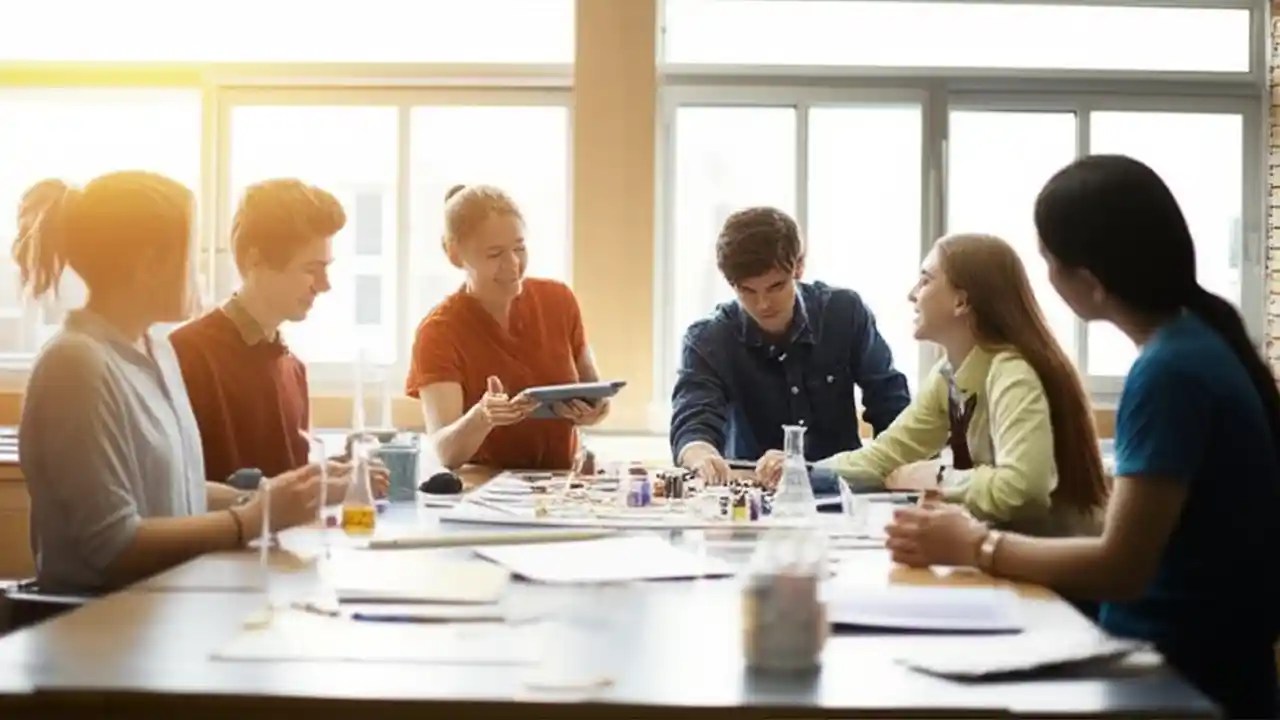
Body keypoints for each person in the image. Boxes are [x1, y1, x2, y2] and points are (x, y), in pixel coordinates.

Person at [885, 155, 1280, 718]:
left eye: (1048, 261)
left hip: (1177, 673)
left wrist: (974, 545)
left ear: (1090, 283)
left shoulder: (1170, 371)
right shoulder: (1195, 345)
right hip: (1176, 654)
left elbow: (1121, 567)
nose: (1045, 278)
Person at [13, 172, 322, 595]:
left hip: (166, 610)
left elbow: (176, 488)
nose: (201, 271)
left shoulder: (156, 351)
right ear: (148, 265)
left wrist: (279, 494)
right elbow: (113, 545)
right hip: (96, 628)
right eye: (190, 256)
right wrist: (252, 518)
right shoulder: (75, 363)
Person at [760, 234, 1108, 537]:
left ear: (962, 301)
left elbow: (1024, 490)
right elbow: (887, 455)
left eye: (925, 281)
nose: (913, 294)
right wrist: (802, 473)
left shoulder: (1011, 372)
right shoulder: (949, 375)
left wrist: (938, 476)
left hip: (1057, 577)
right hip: (1007, 556)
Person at [169, 179, 386, 496]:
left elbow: (283, 482)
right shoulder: (185, 356)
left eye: (326, 268)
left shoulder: (292, 367)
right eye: (311, 269)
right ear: (256, 260)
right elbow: (170, 491)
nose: (324, 285)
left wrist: (331, 474)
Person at [671, 206, 910, 484]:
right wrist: (701, 455)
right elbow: (693, 417)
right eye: (747, 291)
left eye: (776, 287)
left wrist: (903, 467)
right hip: (752, 495)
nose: (763, 304)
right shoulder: (708, 339)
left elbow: (889, 400)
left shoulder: (844, 313)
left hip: (838, 490)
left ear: (799, 266)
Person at [406, 184, 607, 470]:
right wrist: (482, 417)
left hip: (559, 486)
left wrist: (593, 410)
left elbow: (595, 394)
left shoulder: (559, 300)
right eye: (494, 254)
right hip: (483, 491)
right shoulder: (438, 333)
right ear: (454, 254)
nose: (512, 264)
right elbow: (446, 452)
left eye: (519, 248)